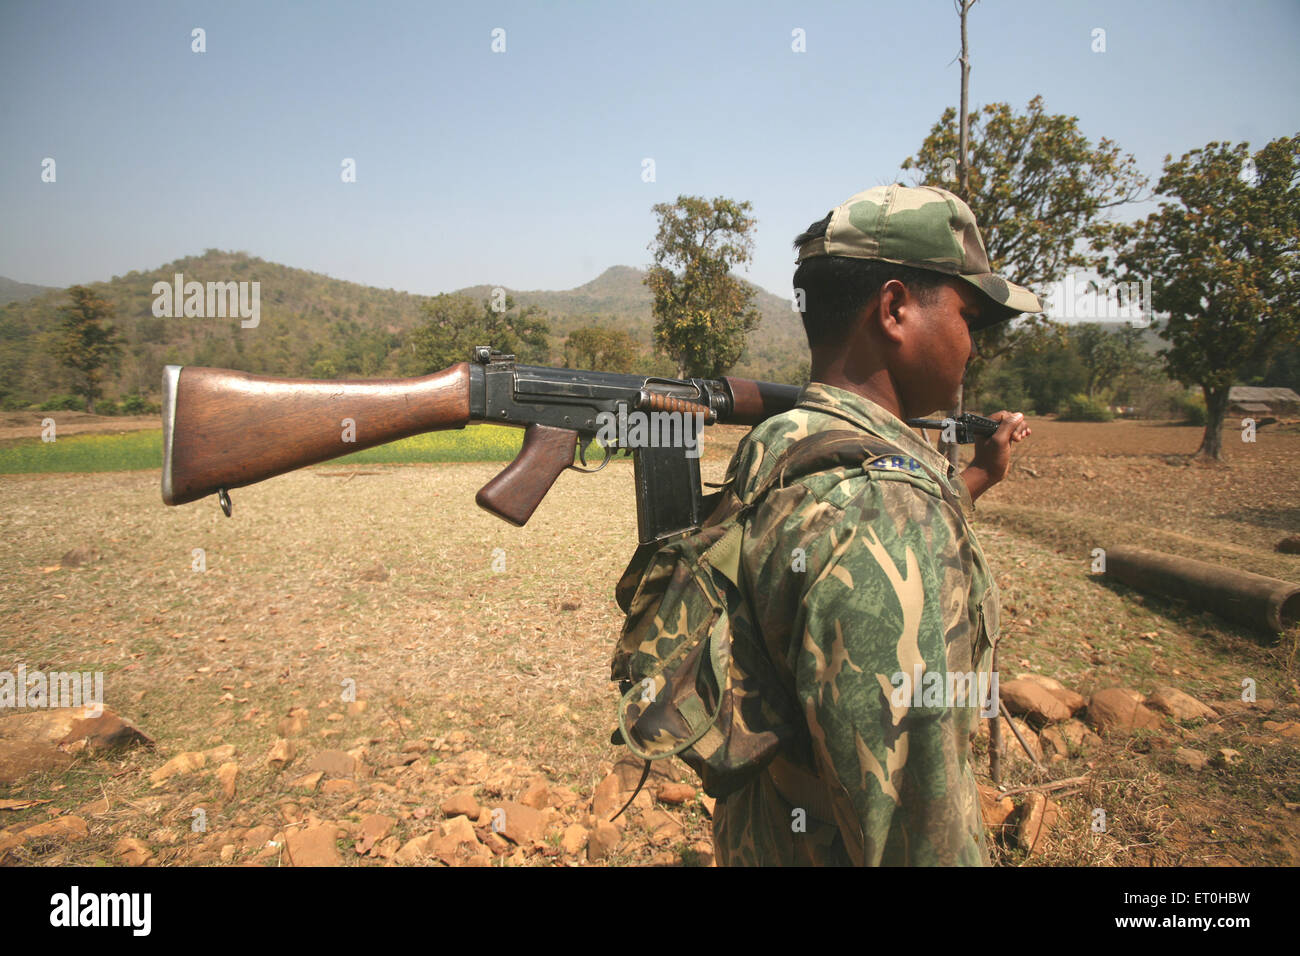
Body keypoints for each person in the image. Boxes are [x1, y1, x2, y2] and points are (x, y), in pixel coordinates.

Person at [711, 183, 1039, 866]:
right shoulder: (882, 504)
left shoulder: (783, 444)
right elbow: (914, 832)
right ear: (893, 308)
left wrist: (974, 479)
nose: (970, 346)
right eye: (966, 315)